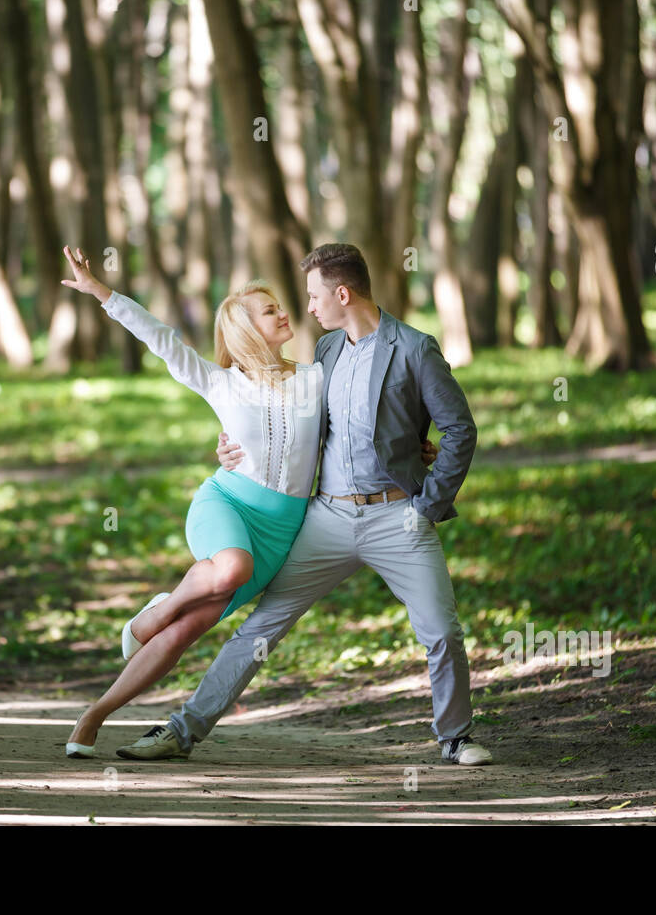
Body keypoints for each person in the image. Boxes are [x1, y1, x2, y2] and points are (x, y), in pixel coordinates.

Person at [113, 243, 491, 766]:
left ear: (342, 293)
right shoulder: (327, 354)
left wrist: (426, 503)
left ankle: (455, 737)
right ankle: (182, 730)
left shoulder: (415, 349)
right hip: (329, 516)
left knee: (442, 629)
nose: (309, 307)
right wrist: (229, 448)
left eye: (315, 296)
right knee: (260, 629)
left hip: (397, 516)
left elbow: (459, 429)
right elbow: (291, 428)